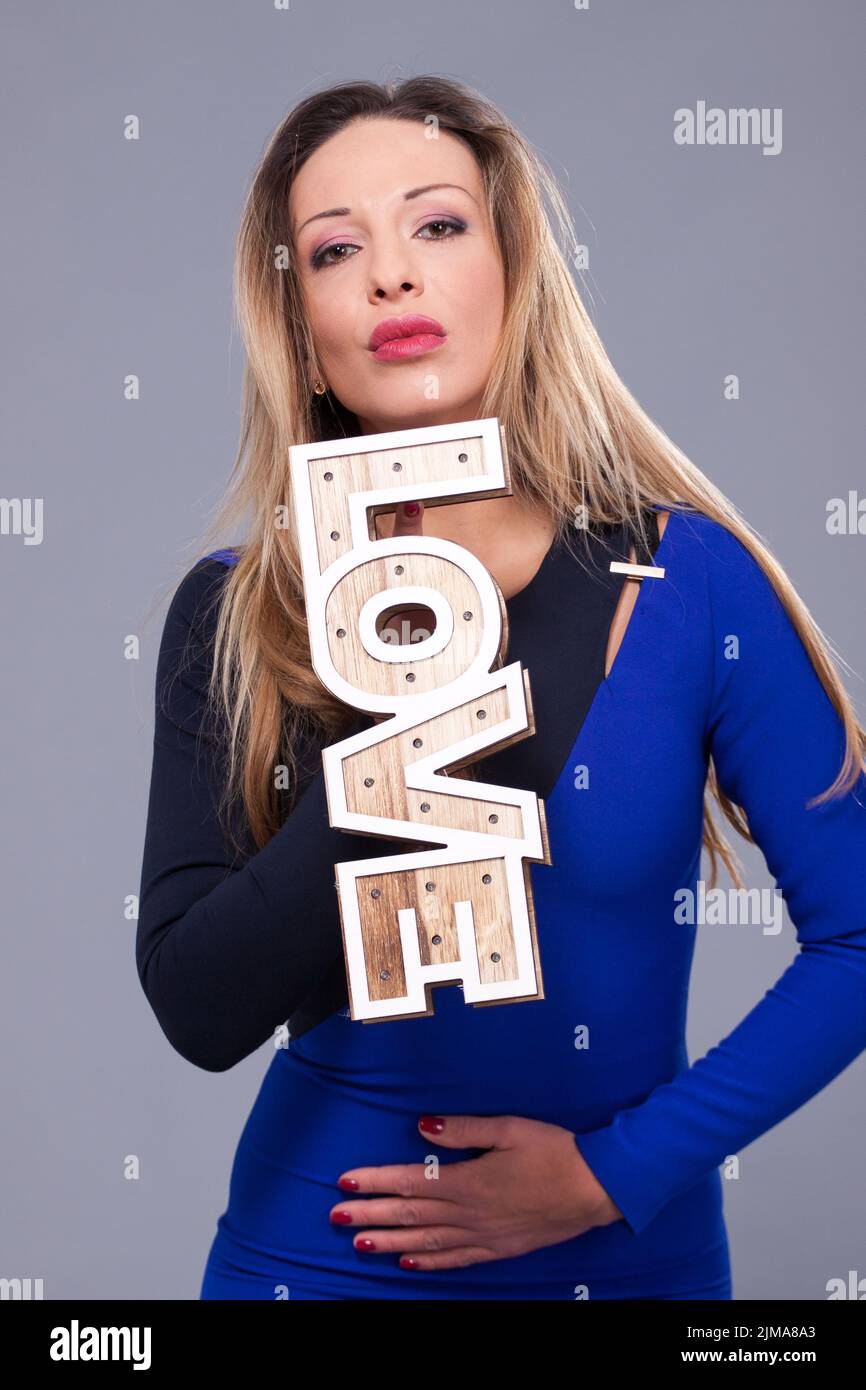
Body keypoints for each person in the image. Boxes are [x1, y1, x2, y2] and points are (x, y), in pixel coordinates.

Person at [136, 76, 866, 1301]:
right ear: (298, 318)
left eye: (436, 225)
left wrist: (610, 1175)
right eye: (333, 250)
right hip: (318, 1261)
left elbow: (856, 933)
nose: (389, 277)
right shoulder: (239, 607)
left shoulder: (681, 580)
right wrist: (398, 748)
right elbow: (200, 1010)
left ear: (513, 269)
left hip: (633, 1266)